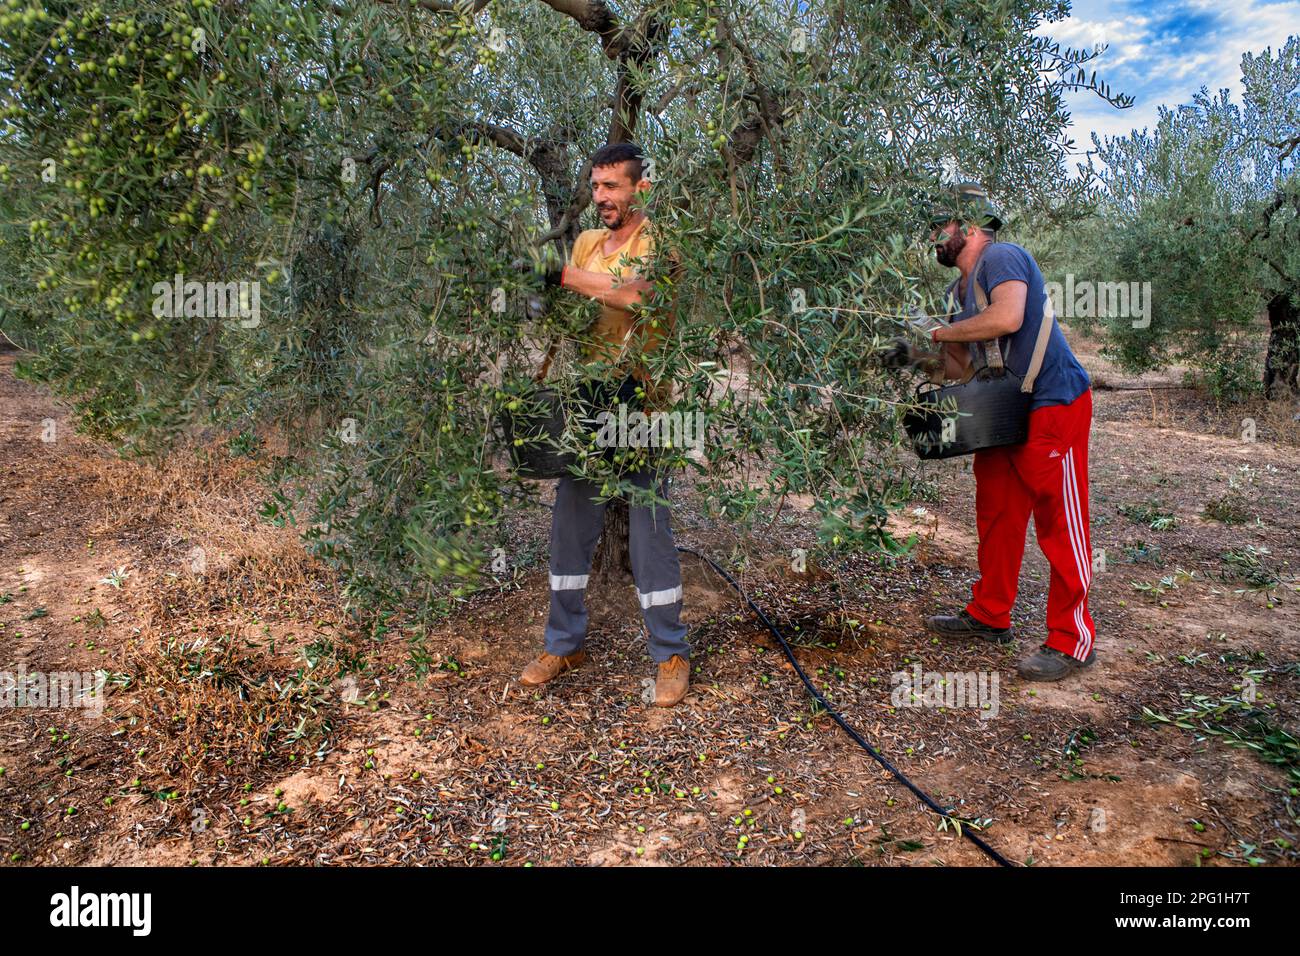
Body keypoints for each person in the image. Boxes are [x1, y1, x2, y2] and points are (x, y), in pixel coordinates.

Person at [516, 142, 691, 706]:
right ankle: (564, 644)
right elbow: (575, 311)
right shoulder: (589, 242)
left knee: (649, 535)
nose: (601, 198)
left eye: (611, 187)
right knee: (569, 526)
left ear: (641, 188)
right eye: (595, 187)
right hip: (586, 402)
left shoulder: (659, 241)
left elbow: (637, 296)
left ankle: (670, 655)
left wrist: (562, 277)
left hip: (644, 406)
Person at [921, 183, 1098, 681]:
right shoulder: (957, 291)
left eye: (942, 227)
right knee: (997, 513)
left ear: (970, 229)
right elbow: (957, 367)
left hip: (1051, 402)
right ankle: (989, 614)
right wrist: (914, 349)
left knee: (1060, 522)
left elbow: (1008, 317)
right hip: (1002, 413)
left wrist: (937, 332)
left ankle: (1072, 639)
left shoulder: (1002, 256)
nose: (935, 236)